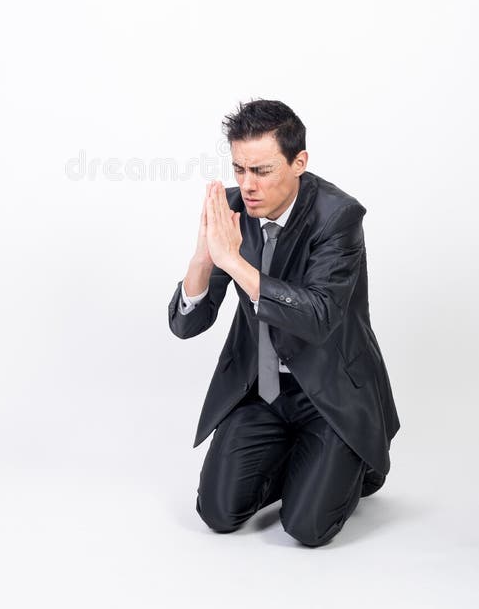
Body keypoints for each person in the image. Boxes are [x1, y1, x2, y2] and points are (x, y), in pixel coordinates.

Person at [168, 99, 400, 547]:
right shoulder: (233, 210)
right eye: (239, 169)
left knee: (307, 528)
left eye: (262, 170)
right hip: (262, 389)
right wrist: (203, 255)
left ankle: (354, 465)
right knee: (217, 514)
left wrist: (233, 261)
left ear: (299, 162)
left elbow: (316, 318)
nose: (247, 185)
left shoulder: (339, 217)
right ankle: (301, 464)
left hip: (328, 391)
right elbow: (187, 325)